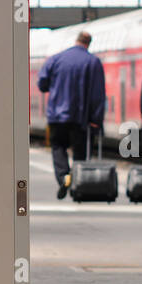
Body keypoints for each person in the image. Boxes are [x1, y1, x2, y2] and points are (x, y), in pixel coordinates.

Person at [37, 30, 106, 199]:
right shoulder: (93, 61)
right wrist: (96, 119)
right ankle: (77, 184)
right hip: (80, 117)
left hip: (57, 115)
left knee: (58, 146)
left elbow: (42, 84)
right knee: (80, 152)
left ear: (76, 40)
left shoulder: (56, 59)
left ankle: (63, 177)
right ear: (88, 43)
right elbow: (98, 93)